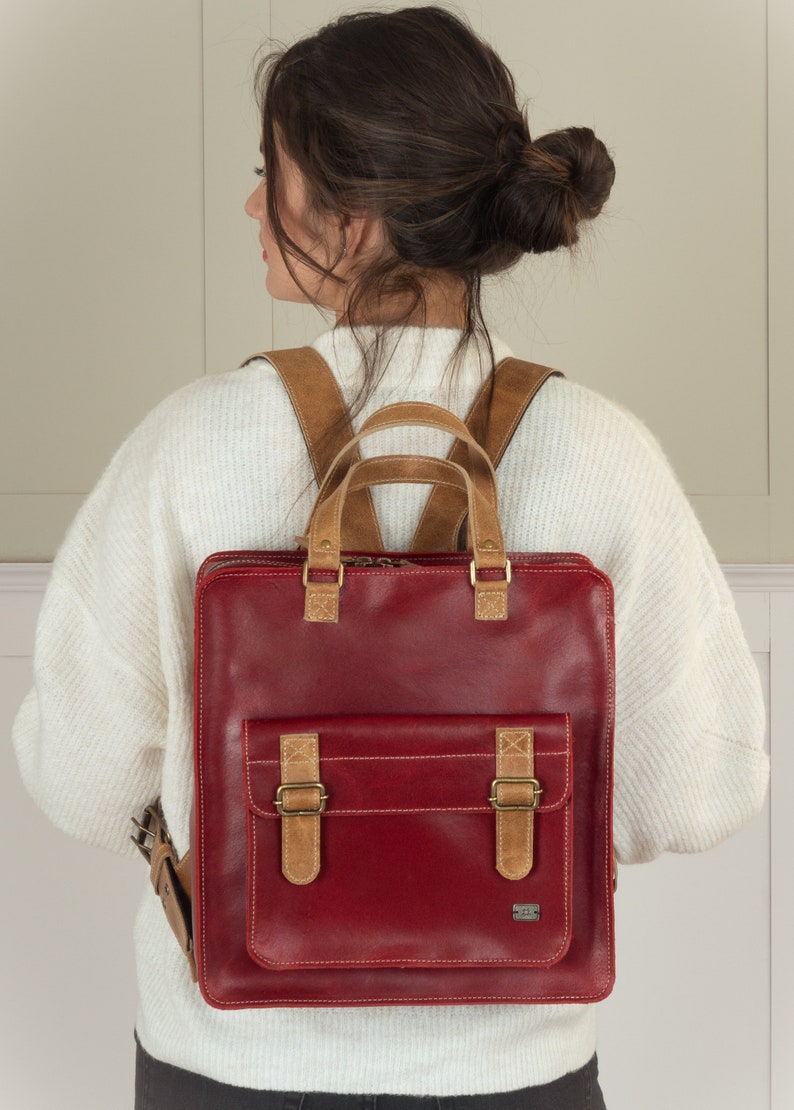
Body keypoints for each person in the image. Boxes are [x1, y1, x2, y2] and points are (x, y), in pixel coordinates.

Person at [12, 6, 768, 1109]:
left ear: (353, 222)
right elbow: (697, 792)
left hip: (226, 1067)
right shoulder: (603, 453)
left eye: (268, 177)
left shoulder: (189, 444)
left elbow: (83, 783)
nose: (248, 206)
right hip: (517, 1071)